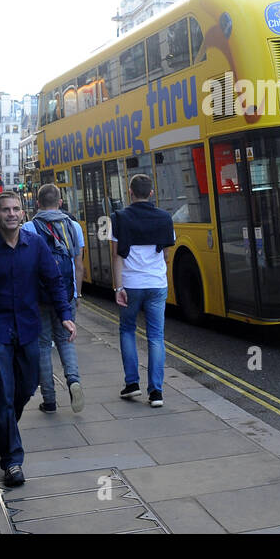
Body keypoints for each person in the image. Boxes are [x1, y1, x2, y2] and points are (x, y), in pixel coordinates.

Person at [0, 192, 74, 488]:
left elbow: (54, 281)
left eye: (16, 209)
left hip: (27, 328)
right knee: (2, 394)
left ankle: (2, 434)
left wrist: (65, 314)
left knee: (25, 388)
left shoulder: (35, 245)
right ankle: (12, 460)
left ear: (23, 213)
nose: (11, 214)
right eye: (5, 210)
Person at [111, 174, 175, 409]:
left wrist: (118, 287)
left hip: (131, 284)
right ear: (151, 193)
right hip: (157, 284)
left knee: (127, 330)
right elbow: (166, 254)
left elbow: (117, 255)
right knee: (156, 336)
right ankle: (156, 391)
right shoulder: (165, 218)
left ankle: (132, 383)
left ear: (130, 192)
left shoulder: (119, 218)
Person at [21, 183, 85, 413]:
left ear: (37, 203)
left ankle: (49, 400)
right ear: (60, 202)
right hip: (65, 293)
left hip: (38, 297)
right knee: (66, 340)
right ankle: (74, 381)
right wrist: (76, 293)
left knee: (42, 345)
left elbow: (25, 265)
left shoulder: (28, 226)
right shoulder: (74, 226)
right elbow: (78, 264)